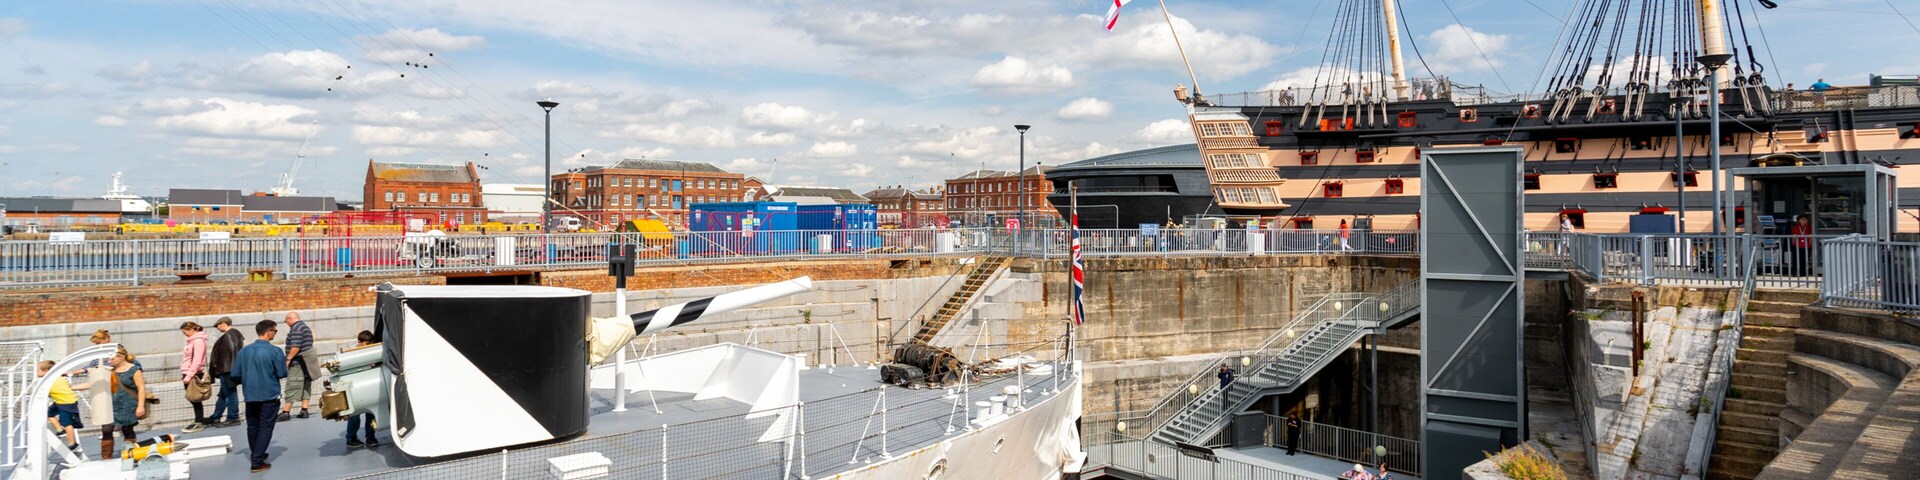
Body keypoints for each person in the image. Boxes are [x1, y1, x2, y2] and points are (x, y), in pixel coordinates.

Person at [235, 320, 289, 473]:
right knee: (266, 427)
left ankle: (257, 453)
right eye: (275, 331)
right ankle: (257, 461)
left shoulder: (244, 351)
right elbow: (282, 373)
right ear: (269, 332)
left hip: (250, 395)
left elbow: (235, 374)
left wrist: (248, 380)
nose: (275, 334)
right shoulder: (275, 351)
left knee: (253, 426)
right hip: (269, 394)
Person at [102, 347, 146, 459]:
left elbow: (141, 388)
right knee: (106, 429)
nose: (109, 361)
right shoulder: (109, 370)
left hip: (128, 404)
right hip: (111, 405)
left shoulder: (135, 370)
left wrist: (140, 406)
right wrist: (73, 387)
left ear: (121, 357)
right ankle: (106, 457)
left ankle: (129, 455)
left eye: (112, 359)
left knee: (127, 429)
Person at [343, 330, 380, 448]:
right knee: (354, 414)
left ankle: (370, 437)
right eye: (367, 344)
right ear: (360, 342)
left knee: (371, 412)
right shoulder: (351, 353)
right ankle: (351, 437)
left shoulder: (372, 351)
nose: (369, 346)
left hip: (369, 385)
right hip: (355, 387)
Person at [38, 360, 84, 454]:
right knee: (49, 413)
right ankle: (60, 430)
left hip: (67, 403)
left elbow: (45, 392)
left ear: (46, 371)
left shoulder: (50, 381)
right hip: (61, 401)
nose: (37, 372)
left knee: (67, 423)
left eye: (39, 370)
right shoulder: (58, 378)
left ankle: (73, 444)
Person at [208, 317, 245, 427]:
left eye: (218, 325)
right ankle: (216, 416)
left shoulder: (229, 335)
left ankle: (233, 417)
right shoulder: (235, 334)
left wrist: (228, 369)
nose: (218, 328)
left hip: (227, 369)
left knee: (230, 394)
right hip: (229, 369)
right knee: (224, 394)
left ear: (223, 324)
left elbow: (230, 354)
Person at [279, 312, 315, 421]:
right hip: (307, 363)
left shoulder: (296, 328)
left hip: (298, 363)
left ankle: (286, 412)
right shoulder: (305, 327)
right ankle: (304, 410)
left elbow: (295, 346)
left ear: (290, 319)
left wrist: (288, 358)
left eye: (286, 321)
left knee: (292, 385)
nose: (286, 323)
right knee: (306, 386)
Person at [179, 322, 211, 433]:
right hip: (188, 371)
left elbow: (197, 360)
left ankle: (199, 421)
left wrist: (189, 375)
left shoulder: (198, 341)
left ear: (192, 329)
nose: (185, 334)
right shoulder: (192, 340)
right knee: (192, 398)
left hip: (192, 373)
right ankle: (198, 420)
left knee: (194, 397)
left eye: (186, 332)